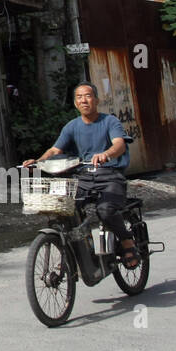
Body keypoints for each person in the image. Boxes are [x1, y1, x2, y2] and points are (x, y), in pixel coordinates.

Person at [21, 82, 140, 268]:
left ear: (96, 100)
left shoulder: (110, 121)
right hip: (83, 179)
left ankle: (127, 242)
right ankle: (70, 253)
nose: (84, 100)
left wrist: (106, 154)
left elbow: (119, 145)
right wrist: (38, 162)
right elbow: (54, 150)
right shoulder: (72, 126)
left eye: (88, 96)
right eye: (79, 97)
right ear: (75, 103)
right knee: (63, 209)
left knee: (106, 210)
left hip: (110, 176)